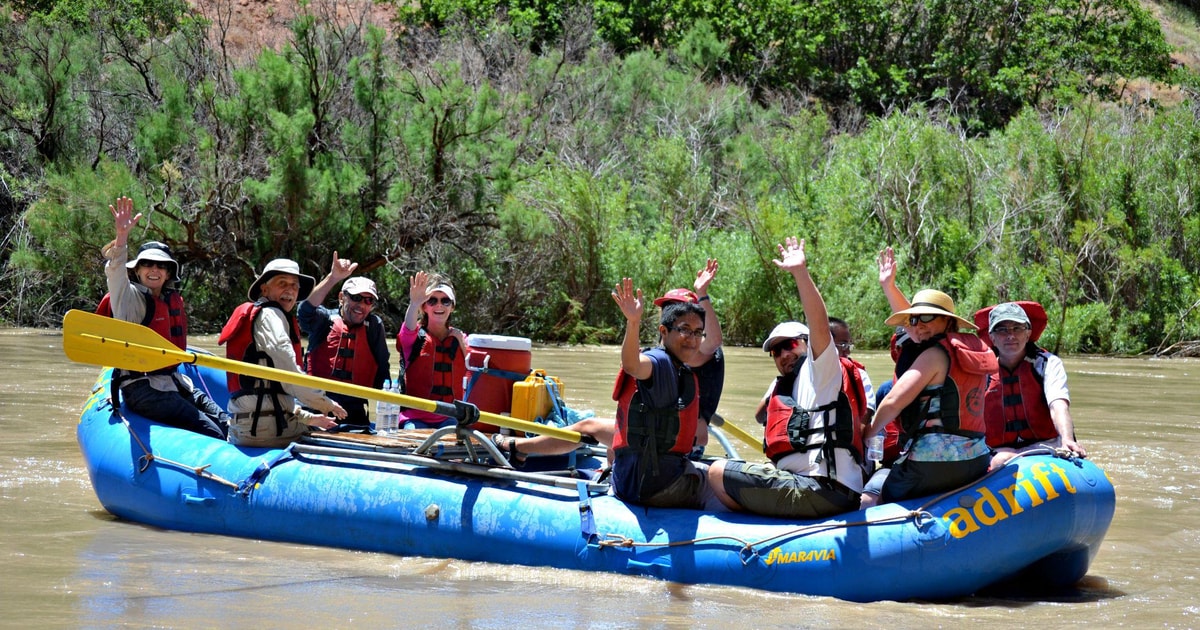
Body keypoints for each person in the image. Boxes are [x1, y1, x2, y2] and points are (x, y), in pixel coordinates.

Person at [493, 260, 725, 465]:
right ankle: (525, 450)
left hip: (677, 447)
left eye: (676, 310)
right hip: (663, 438)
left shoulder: (693, 352)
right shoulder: (670, 355)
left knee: (589, 427)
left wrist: (702, 293)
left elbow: (711, 341)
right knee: (604, 429)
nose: (667, 312)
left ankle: (517, 448)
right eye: (666, 309)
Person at [707, 237, 863, 518]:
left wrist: (801, 275)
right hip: (803, 485)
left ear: (806, 342)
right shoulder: (784, 385)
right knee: (718, 473)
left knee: (717, 472)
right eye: (776, 351)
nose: (783, 354)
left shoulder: (821, 371)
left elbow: (818, 324)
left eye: (790, 345)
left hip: (824, 489)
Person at [864, 247, 997, 504]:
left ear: (947, 322)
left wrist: (869, 433)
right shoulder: (969, 348)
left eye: (926, 317)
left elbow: (892, 402)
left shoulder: (934, 355)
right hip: (976, 461)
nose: (918, 324)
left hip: (931, 464)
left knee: (878, 497)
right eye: (914, 320)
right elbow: (913, 326)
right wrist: (888, 286)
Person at [100, 196, 229, 440]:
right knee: (212, 432)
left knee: (226, 424)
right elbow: (115, 273)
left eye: (161, 266)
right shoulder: (128, 298)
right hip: (142, 388)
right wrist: (122, 237)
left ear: (168, 273)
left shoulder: (169, 301)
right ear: (137, 270)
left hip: (174, 382)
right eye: (147, 264)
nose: (154, 269)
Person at [219, 259, 347, 447]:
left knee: (319, 428)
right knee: (337, 441)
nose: (290, 290)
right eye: (282, 283)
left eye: (294, 286)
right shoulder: (271, 315)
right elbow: (289, 374)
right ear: (264, 290)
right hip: (265, 429)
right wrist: (325, 402)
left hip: (251, 425)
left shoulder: (265, 315)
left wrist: (310, 418)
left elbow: (272, 392)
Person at [973, 301, 1085, 469]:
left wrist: (1067, 439)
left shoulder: (1047, 364)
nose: (1010, 335)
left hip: (1046, 446)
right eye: (1002, 330)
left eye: (1017, 328)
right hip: (999, 451)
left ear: (1028, 334)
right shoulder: (980, 371)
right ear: (992, 337)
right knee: (1000, 460)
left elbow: (1058, 406)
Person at [298, 252, 391, 428]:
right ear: (342, 297)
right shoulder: (324, 320)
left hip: (353, 411)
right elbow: (305, 311)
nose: (362, 305)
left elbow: (383, 372)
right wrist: (333, 278)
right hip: (317, 407)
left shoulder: (374, 326)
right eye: (356, 298)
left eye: (368, 300)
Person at [395, 271, 469, 429]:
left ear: (452, 306)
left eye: (445, 301)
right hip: (415, 417)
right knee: (416, 438)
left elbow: (476, 368)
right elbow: (408, 329)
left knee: (453, 438)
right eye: (432, 300)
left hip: (450, 417)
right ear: (424, 306)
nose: (439, 305)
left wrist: (461, 342)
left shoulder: (461, 338)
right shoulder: (415, 338)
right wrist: (414, 303)